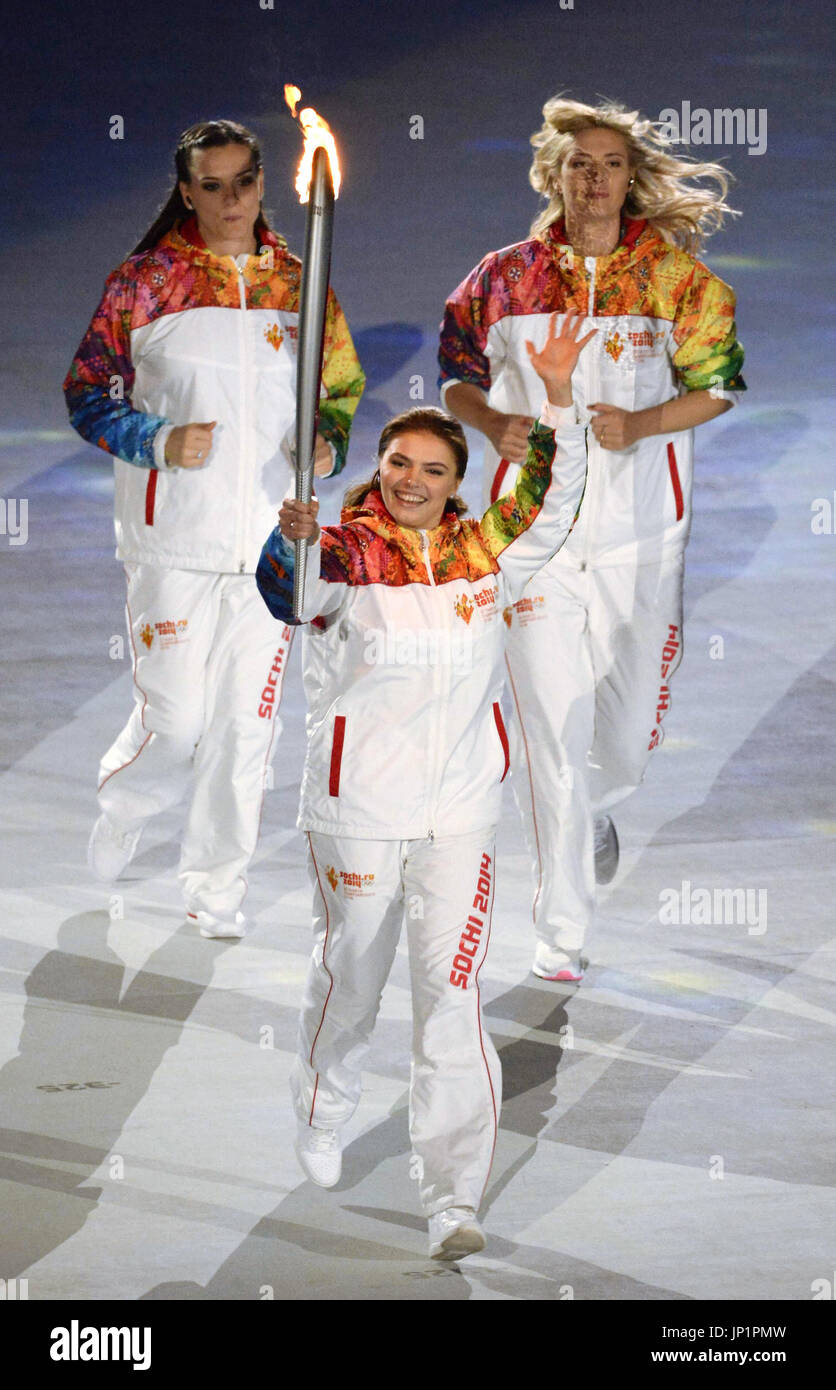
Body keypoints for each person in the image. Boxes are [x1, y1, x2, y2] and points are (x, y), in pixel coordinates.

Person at [256, 312, 594, 1260]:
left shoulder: (488, 555)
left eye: (434, 470)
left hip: (457, 815)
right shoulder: (342, 554)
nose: (412, 481)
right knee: (351, 975)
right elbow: (287, 597)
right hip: (356, 811)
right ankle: (324, 1106)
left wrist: (557, 397)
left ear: (455, 485)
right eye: (399, 463)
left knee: (452, 1000)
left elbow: (552, 498)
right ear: (381, 468)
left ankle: (452, 1200)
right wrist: (288, 541)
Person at [439, 97, 746, 982]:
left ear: (631, 178)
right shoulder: (502, 277)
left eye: (610, 163)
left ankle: (603, 807)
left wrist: (646, 420)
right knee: (553, 737)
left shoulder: (675, 280)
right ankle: (559, 930)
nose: (594, 177)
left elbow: (720, 384)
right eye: (579, 163)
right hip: (533, 540)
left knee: (623, 738)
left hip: (641, 538)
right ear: (553, 175)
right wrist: (492, 420)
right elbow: (457, 376)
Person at [64, 119, 364, 937]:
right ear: (187, 192)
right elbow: (87, 393)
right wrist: (159, 441)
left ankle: (214, 886)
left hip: (273, 545)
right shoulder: (146, 282)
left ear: (265, 183)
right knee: (177, 724)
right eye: (211, 185)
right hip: (174, 542)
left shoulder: (300, 285)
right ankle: (127, 801)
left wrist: (326, 442)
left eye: (242, 182)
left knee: (245, 730)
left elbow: (337, 392)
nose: (229, 200)